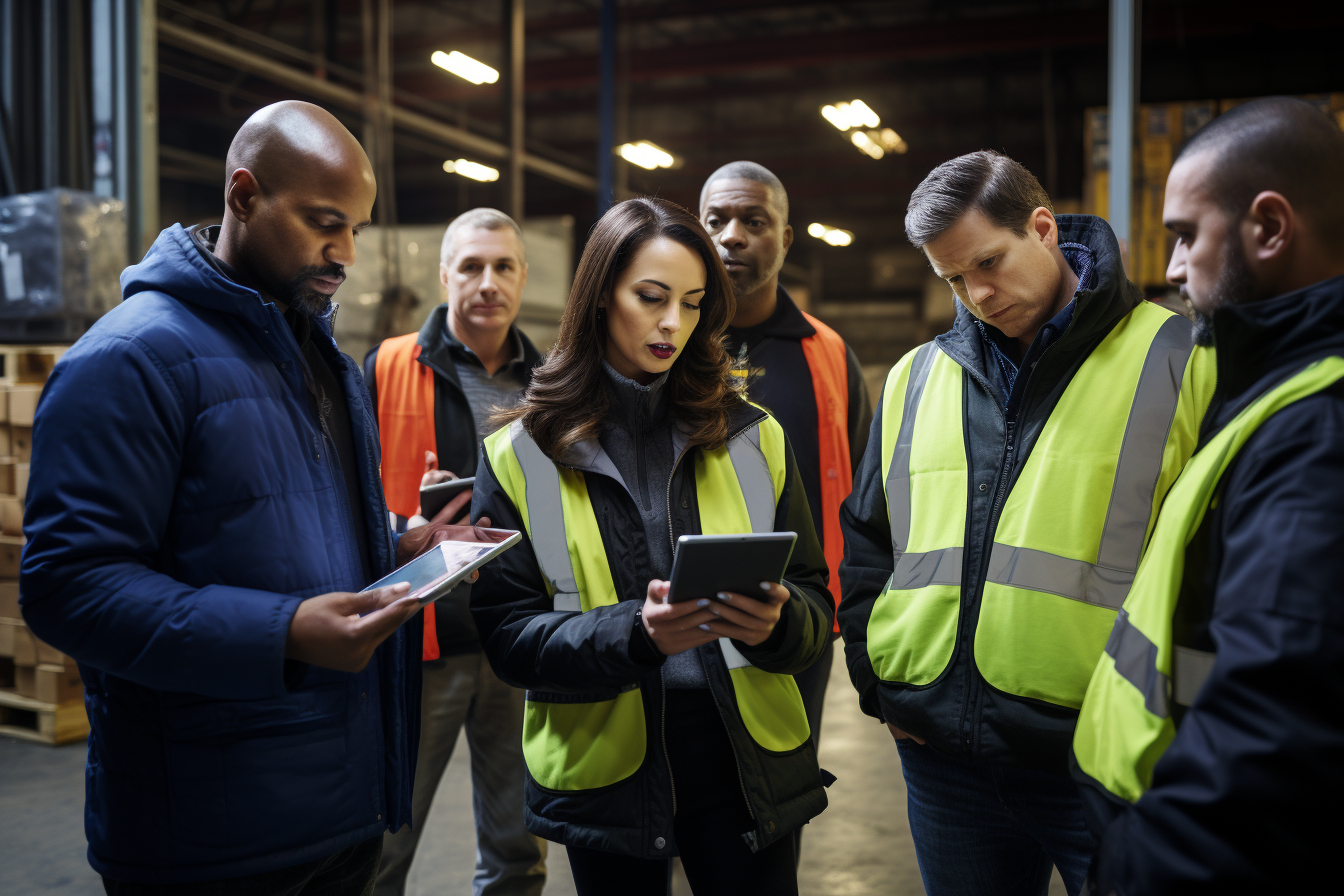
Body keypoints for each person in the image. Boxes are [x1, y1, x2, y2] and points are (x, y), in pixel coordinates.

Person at [18, 101, 463, 894]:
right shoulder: (129, 361)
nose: (346, 252)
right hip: (210, 835)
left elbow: (281, 508)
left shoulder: (315, 347)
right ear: (245, 195)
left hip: (339, 805)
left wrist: (392, 540)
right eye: (326, 223)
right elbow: (69, 588)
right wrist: (283, 632)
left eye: (356, 228)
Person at [837, 150, 1216, 896]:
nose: (976, 294)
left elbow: (1214, 566)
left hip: (1102, 760)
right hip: (942, 763)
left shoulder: (1178, 361)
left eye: (988, 262)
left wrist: (1188, 729)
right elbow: (868, 543)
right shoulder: (915, 378)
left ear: (1043, 228)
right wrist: (880, 689)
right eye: (952, 279)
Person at [469, 197, 834, 895]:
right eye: (652, 297)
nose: (674, 323)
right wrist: (635, 635)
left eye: (694, 304)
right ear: (602, 295)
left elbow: (814, 599)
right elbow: (509, 638)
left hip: (742, 757)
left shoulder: (755, 436)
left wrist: (780, 624)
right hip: (608, 767)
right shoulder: (520, 455)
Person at [1071, 97, 1344, 895]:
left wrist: (1134, 865)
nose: (1176, 266)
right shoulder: (1275, 389)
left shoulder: (1318, 430)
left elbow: (1273, 736)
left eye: (1188, 234)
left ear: (1268, 227)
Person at [363, 208, 546, 896]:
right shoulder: (385, 364)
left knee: (517, 849)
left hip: (517, 638)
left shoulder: (551, 383)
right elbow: (342, 484)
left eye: (503, 266)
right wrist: (408, 512)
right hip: (420, 637)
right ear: (444, 276)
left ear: (523, 278)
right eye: (471, 266)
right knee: (383, 845)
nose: (487, 282)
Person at [698, 162, 872, 784]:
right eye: (716, 220)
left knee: (780, 788)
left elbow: (862, 495)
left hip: (793, 613)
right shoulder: (666, 341)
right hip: (676, 609)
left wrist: (847, 610)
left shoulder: (827, 354)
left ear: (786, 238)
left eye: (754, 220)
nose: (732, 236)